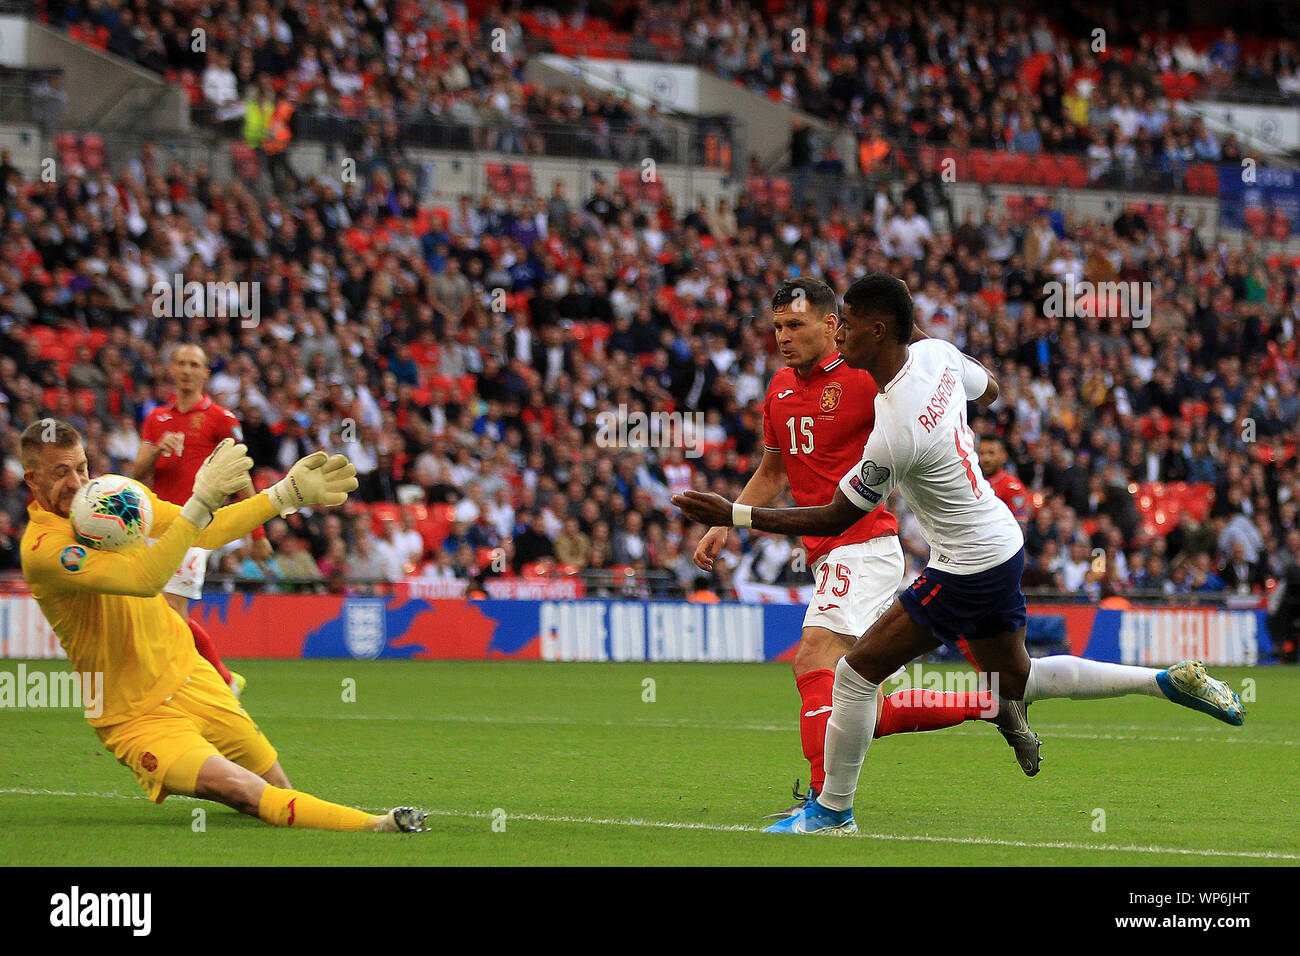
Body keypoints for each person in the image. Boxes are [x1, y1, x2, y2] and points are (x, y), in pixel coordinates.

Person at [673, 273, 1245, 835]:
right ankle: (1164, 681)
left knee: (851, 675)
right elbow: (990, 389)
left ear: (877, 330)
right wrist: (919, 341)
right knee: (1015, 682)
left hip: (961, 563)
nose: (838, 335)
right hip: (1000, 542)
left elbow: (835, 516)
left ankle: (831, 812)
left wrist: (733, 515)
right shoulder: (937, 356)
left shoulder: (893, 426)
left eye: (845, 325)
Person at [20, 418, 426, 833]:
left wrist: (284, 494)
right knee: (240, 790)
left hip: (191, 675)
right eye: (60, 472)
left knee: (277, 788)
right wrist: (198, 504)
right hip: (134, 714)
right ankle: (377, 827)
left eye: (81, 467)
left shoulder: (116, 496)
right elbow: (143, 581)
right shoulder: (43, 548)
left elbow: (205, 531)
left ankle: (355, 832)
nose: (76, 482)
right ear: (31, 478)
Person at [692, 277, 1003, 816]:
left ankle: (824, 805)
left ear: (832, 325)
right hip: (828, 552)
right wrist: (728, 523)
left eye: (795, 325)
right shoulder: (780, 390)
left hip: (862, 542)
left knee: (813, 654)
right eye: (777, 328)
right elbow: (774, 470)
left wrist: (912, 330)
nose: (783, 338)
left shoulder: (865, 376)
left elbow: (932, 374)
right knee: (861, 705)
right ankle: (989, 706)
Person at [132, 343, 270, 698]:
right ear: (171, 369)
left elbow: (241, 476)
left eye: (194, 364)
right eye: (180, 363)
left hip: (194, 528)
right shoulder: (156, 418)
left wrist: (258, 531)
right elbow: (136, 472)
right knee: (158, 611)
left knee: (171, 608)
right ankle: (204, 680)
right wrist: (158, 448)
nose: (187, 370)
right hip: (157, 525)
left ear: (205, 373)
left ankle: (212, 681)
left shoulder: (221, 419)